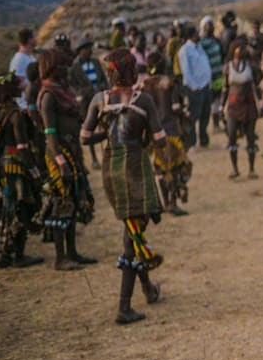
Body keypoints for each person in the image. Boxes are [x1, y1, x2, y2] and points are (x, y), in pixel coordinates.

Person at [81, 50, 165, 324]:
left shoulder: (99, 100)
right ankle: (124, 308)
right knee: (132, 236)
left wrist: (108, 133)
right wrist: (143, 135)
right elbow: (160, 139)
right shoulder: (144, 100)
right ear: (132, 72)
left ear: (110, 73)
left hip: (111, 169)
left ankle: (148, 289)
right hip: (135, 168)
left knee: (133, 228)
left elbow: (85, 137)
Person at [37, 49, 97, 270]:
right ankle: (60, 257)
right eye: (62, 65)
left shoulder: (64, 92)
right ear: (52, 68)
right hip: (59, 154)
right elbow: (50, 134)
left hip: (72, 151)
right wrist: (61, 163)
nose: (67, 69)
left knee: (73, 202)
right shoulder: (48, 96)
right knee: (62, 203)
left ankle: (72, 252)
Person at [0, 74, 45, 268]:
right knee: (22, 207)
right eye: (17, 84)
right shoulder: (15, 115)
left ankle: (6, 253)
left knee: (6, 207)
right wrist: (35, 172)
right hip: (16, 166)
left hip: (1, 167)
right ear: (10, 90)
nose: (21, 87)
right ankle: (19, 255)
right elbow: (22, 147)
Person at [141, 53, 190, 215]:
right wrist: (185, 117)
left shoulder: (143, 86)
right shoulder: (169, 83)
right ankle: (173, 203)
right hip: (171, 131)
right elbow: (176, 108)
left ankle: (165, 202)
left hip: (153, 134)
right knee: (174, 167)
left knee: (160, 169)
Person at [222, 41, 260, 179]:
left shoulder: (251, 66)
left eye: (242, 50)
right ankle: (235, 169)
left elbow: (257, 85)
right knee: (232, 134)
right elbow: (225, 88)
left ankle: (251, 169)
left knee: (250, 136)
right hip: (233, 105)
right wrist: (221, 106)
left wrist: (261, 103)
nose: (240, 52)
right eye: (238, 50)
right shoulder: (228, 68)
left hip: (249, 104)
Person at [178, 25, 213, 148]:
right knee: (193, 116)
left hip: (205, 86)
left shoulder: (199, 47)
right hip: (194, 88)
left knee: (205, 114)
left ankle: (204, 140)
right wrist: (194, 87)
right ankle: (192, 142)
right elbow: (186, 72)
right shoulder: (185, 50)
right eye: (197, 34)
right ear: (192, 36)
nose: (199, 35)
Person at [198, 16, 226, 132]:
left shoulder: (216, 41)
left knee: (218, 99)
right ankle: (208, 126)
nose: (210, 27)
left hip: (218, 75)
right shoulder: (201, 43)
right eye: (207, 25)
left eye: (211, 25)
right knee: (210, 101)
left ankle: (216, 124)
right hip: (208, 77)